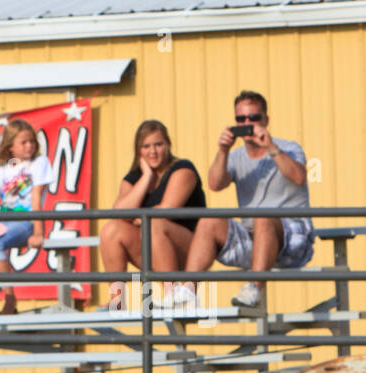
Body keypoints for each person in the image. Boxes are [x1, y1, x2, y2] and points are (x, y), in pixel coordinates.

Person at [180, 90, 312, 310]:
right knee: (206, 221)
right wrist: (222, 151)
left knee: (263, 216)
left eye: (254, 118)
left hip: (293, 240)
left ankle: (254, 289)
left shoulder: (288, 148)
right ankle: (186, 291)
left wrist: (270, 148)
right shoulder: (236, 156)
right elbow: (214, 183)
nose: (247, 124)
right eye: (241, 120)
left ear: (266, 121)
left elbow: (298, 176)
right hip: (255, 240)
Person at [99, 120, 206, 307]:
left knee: (154, 222)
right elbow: (118, 214)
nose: (153, 151)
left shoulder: (183, 169)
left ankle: (172, 293)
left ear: (168, 145)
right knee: (111, 230)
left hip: (191, 252)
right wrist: (146, 178)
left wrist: (138, 218)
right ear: (138, 150)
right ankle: (117, 301)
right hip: (153, 250)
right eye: (146, 146)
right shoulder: (135, 177)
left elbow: (167, 210)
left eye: (158, 144)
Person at [0, 118, 56, 315]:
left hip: (26, 220)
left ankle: (10, 298)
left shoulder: (39, 162)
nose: (29, 146)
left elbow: (36, 198)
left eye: (32, 141)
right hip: (2, 222)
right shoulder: (0, 170)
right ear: (11, 147)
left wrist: (38, 232)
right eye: (23, 142)